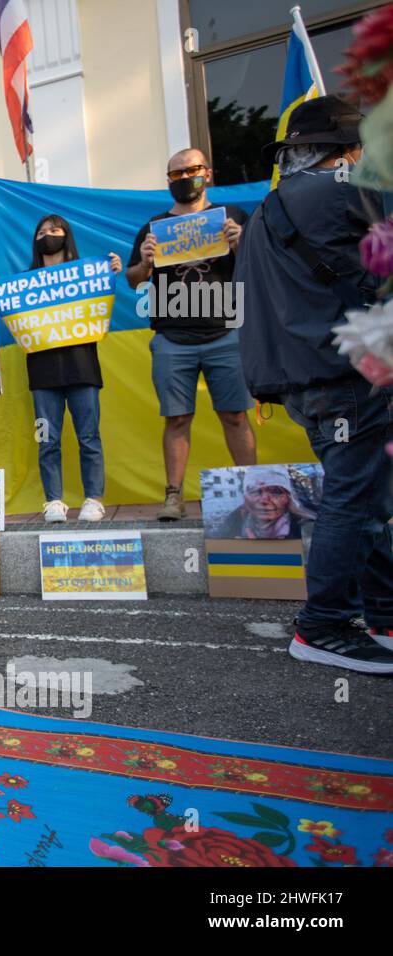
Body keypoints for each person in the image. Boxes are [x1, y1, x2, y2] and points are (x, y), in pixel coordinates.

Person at [235, 95, 393, 674]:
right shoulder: (347, 195)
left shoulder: (266, 211)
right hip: (346, 374)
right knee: (357, 500)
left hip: (304, 380)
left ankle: (380, 613)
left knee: (369, 497)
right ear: (348, 150)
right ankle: (324, 625)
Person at [125, 148, 256, 520]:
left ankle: (253, 488)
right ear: (169, 181)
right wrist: (145, 263)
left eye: (192, 170)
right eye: (177, 173)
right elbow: (133, 280)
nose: (185, 178)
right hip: (172, 337)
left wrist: (240, 242)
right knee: (177, 418)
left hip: (225, 332)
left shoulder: (234, 218)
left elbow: (258, 266)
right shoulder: (153, 228)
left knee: (235, 416)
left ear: (208, 174)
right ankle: (173, 497)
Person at [26, 215, 121, 522]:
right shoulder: (24, 282)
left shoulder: (88, 273)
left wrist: (111, 274)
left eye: (54, 230)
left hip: (83, 370)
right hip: (42, 375)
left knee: (89, 436)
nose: (47, 235)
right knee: (46, 440)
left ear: (67, 235)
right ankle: (53, 500)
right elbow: (7, 309)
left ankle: (93, 499)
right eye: (41, 232)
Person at [205, 464, 313, 540]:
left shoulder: (309, 528)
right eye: (255, 492)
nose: (264, 500)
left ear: (289, 497)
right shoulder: (236, 520)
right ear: (245, 497)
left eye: (276, 492)